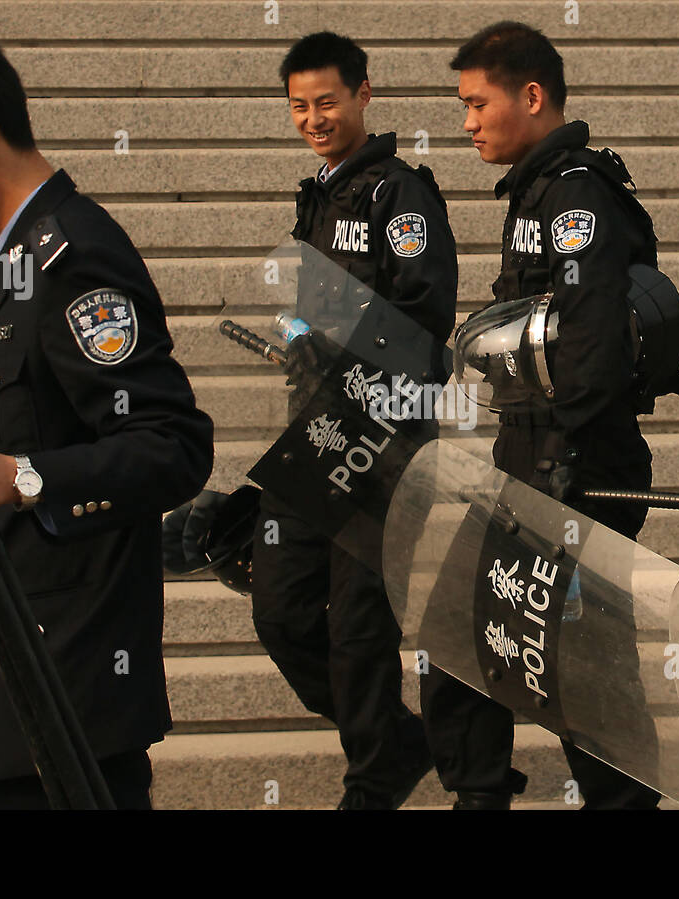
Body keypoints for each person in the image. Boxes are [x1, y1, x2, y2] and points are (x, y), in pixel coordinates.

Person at [0, 17, 215, 809]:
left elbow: (173, 446)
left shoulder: (73, 255)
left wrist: (18, 476)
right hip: (7, 702)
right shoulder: (19, 259)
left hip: (61, 712)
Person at [422, 21, 668, 810]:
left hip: (576, 464)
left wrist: (560, 475)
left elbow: (593, 347)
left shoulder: (577, 195)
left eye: (475, 103)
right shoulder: (538, 187)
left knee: (583, 672)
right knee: (466, 637)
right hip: (530, 453)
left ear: (531, 97)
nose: (466, 122)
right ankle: (480, 792)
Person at [247, 31, 456, 810]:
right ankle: (393, 740)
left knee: (359, 626)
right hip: (314, 433)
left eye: (327, 101)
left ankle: (372, 777)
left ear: (365, 94)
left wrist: (335, 344)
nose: (313, 117)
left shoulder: (398, 194)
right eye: (299, 105)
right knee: (280, 610)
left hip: (381, 440)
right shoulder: (319, 195)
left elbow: (426, 315)